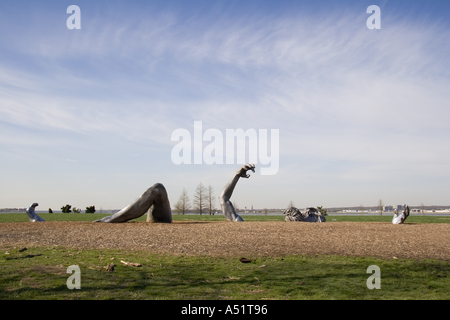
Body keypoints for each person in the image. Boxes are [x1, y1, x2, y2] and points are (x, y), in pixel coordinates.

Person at [95, 164, 255, 223]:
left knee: (158, 189)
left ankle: (112, 219)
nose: (282, 215)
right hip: (160, 218)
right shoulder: (237, 221)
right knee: (157, 189)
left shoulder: (238, 223)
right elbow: (223, 198)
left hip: (162, 219)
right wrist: (236, 175)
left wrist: (236, 175)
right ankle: (112, 218)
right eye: (282, 213)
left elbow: (223, 198)